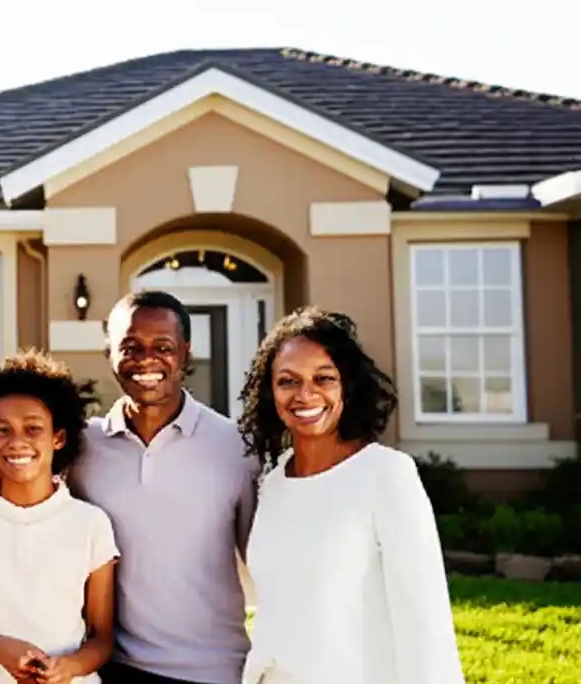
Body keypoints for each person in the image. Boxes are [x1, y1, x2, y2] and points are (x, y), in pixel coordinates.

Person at [237, 307, 465, 684]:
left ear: (348, 385)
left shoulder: (386, 475)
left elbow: (425, 623)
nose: (305, 394)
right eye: (287, 381)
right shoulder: (273, 482)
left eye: (324, 378)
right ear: (269, 392)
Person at [67, 291, 259, 684]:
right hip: (116, 669)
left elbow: (268, 566)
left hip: (215, 671)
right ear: (109, 353)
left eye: (163, 347)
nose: (146, 359)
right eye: (131, 346)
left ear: (185, 354)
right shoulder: (82, 447)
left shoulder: (236, 447)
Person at [0, 350, 118, 684]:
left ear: (58, 438)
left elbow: (102, 639)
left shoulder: (91, 524)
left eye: (33, 429)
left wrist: (70, 667)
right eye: (1, 431)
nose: (17, 443)